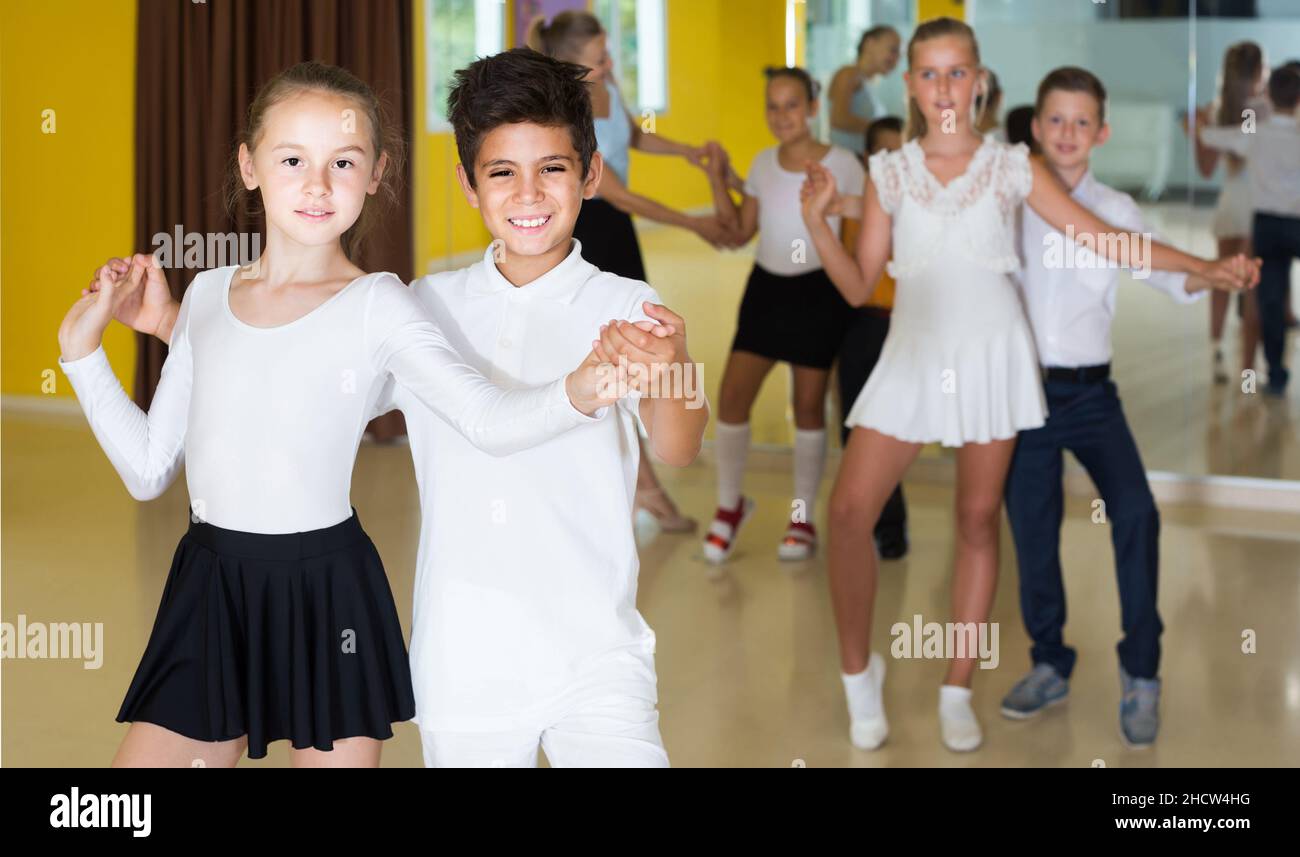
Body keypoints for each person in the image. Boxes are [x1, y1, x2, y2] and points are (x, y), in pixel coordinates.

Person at [61, 61, 622, 767]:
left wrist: (583, 385)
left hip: (330, 597)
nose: (318, 183)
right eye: (293, 158)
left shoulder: (381, 304)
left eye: (344, 161)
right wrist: (82, 354)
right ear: (249, 164)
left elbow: (485, 419)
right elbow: (149, 470)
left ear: (377, 173)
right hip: (211, 589)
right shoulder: (204, 295)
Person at [800, 18, 1257, 752]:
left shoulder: (1013, 166)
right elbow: (859, 287)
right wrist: (820, 225)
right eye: (929, 73)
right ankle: (861, 677)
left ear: (979, 81)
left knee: (979, 521)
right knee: (850, 511)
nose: (944, 88)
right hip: (914, 353)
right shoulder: (888, 173)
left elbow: (1099, 234)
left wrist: (1201, 268)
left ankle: (957, 687)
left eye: (958, 73)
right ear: (911, 84)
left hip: (994, 357)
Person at [1001, 67, 1252, 749]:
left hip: (1089, 394)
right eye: (1055, 120)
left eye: (1083, 122)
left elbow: (1162, 275)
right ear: (1034, 128)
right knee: (1032, 528)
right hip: (1022, 394)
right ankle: (1050, 660)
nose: (1068, 134)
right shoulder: (1011, 197)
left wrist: (1211, 272)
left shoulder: (1115, 210)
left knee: (1136, 512)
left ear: (1102, 133)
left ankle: (1142, 671)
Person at [698, 66, 863, 564]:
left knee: (809, 407)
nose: (781, 115)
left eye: (792, 104)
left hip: (819, 292)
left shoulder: (845, 164)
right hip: (766, 290)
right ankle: (730, 507)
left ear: (813, 108)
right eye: (773, 105)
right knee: (731, 398)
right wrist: (715, 179)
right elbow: (743, 231)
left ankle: (802, 516)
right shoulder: (763, 163)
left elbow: (863, 230)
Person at [828, 25, 901, 156]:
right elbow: (839, 119)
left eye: (899, 53)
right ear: (870, 44)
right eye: (893, 50)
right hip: (848, 162)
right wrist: (883, 132)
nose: (896, 58)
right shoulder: (848, 74)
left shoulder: (869, 83)